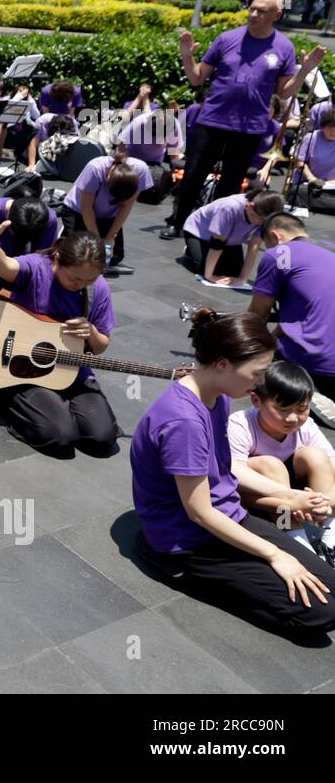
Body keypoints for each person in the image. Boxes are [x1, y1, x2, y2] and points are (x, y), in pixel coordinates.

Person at [129, 308, 335, 634]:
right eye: (257, 373)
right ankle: (179, 569)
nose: (261, 382)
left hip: (228, 514)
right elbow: (199, 513)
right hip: (187, 539)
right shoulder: (183, 421)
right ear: (222, 364)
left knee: (329, 585)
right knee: (319, 615)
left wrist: (289, 495)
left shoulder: (218, 395)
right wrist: (274, 555)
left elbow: (225, 470)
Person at [162, 0, 326, 240]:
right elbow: (197, 77)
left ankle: (216, 229)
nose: (253, 14)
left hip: (249, 127)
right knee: (193, 174)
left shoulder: (283, 47)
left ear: (277, 15)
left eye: (261, 11)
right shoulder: (227, 38)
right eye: (252, 9)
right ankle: (179, 222)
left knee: (231, 184)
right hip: (213, 120)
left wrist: (304, 70)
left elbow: (283, 92)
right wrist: (187, 55)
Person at [0, 211, 120, 459]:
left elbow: (100, 347)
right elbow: (6, 266)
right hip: (26, 370)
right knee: (60, 437)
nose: (80, 284)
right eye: (74, 277)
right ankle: (7, 401)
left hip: (73, 372)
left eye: (89, 280)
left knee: (102, 438)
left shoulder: (98, 288)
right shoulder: (38, 267)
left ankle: (58, 407)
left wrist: (91, 332)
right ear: (57, 258)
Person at [230, 361, 335, 561]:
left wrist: (323, 504)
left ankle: (327, 533)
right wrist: (290, 503)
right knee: (272, 464)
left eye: (302, 409)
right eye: (283, 409)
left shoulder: (307, 427)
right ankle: (295, 538)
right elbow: (233, 486)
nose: (293, 418)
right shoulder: (241, 424)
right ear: (256, 400)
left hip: (304, 498)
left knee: (316, 456)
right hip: (267, 500)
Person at [249, 212, 335, 402]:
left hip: (310, 360)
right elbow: (307, 312)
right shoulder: (329, 256)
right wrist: (275, 335)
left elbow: (258, 315)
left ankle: (306, 395)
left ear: (275, 236)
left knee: (248, 376)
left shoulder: (280, 253)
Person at [60, 147, 152, 277]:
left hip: (108, 214)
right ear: (108, 177)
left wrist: (110, 237)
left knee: (114, 256)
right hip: (78, 211)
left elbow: (126, 207)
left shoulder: (141, 170)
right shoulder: (95, 168)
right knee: (79, 254)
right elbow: (87, 208)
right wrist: (98, 240)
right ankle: (66, 235)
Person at [181, 187, 284, 285]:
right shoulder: (229, 207)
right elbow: (218, 243)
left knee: (233, 272)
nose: (261, 223)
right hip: (201, 234)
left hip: (232, 240)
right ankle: (191, 250)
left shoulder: (266, 217)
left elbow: (254, 246)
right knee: (203, 269)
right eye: (260, 219)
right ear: (249, 206)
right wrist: (209, 276)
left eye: (265, 221)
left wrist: (242, 278)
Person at [116, 103, 183, 204]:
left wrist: (175, 171)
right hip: (132, 158)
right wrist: (125, 163)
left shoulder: (174, 126)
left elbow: (174, 150)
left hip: (154, 162)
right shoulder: (140, 121)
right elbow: (120, 142)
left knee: (152, 192)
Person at [289, 108, 335, 215]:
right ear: (323, 126)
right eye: (330, 127)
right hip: (308, 182)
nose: (333, 130)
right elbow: (300, 161)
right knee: (300, 193)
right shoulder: (312, 137)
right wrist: (312, 179)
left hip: (330, 185)